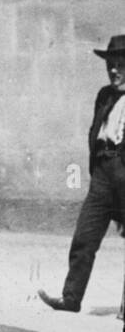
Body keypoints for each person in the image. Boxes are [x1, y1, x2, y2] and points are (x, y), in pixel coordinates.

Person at [39, 34, 125, 314]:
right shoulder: (105, 96)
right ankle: (71, 298)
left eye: (121, 65)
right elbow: (95, 132)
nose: (114, 70)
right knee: (84, 237)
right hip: (102, 173)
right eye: (110, 65)